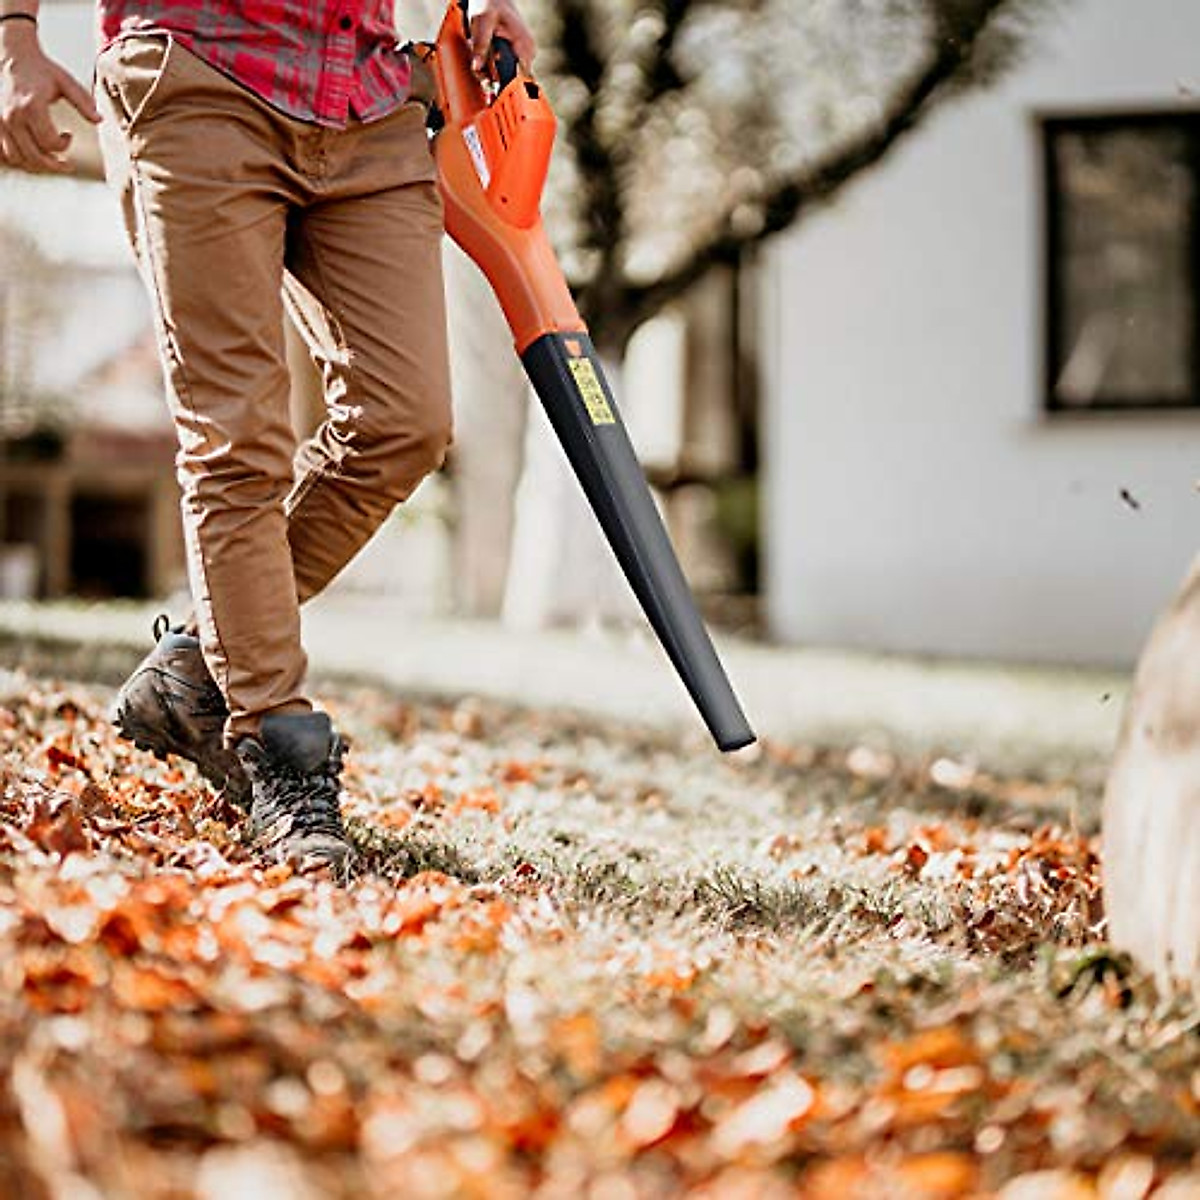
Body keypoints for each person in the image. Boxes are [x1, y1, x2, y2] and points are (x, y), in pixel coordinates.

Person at [0, 0, 536, 875]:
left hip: (368, 92)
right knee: (237, 439)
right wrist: (15, 36)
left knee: (404, 422)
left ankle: (195, 666)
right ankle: (280, 752)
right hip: (198, 70)